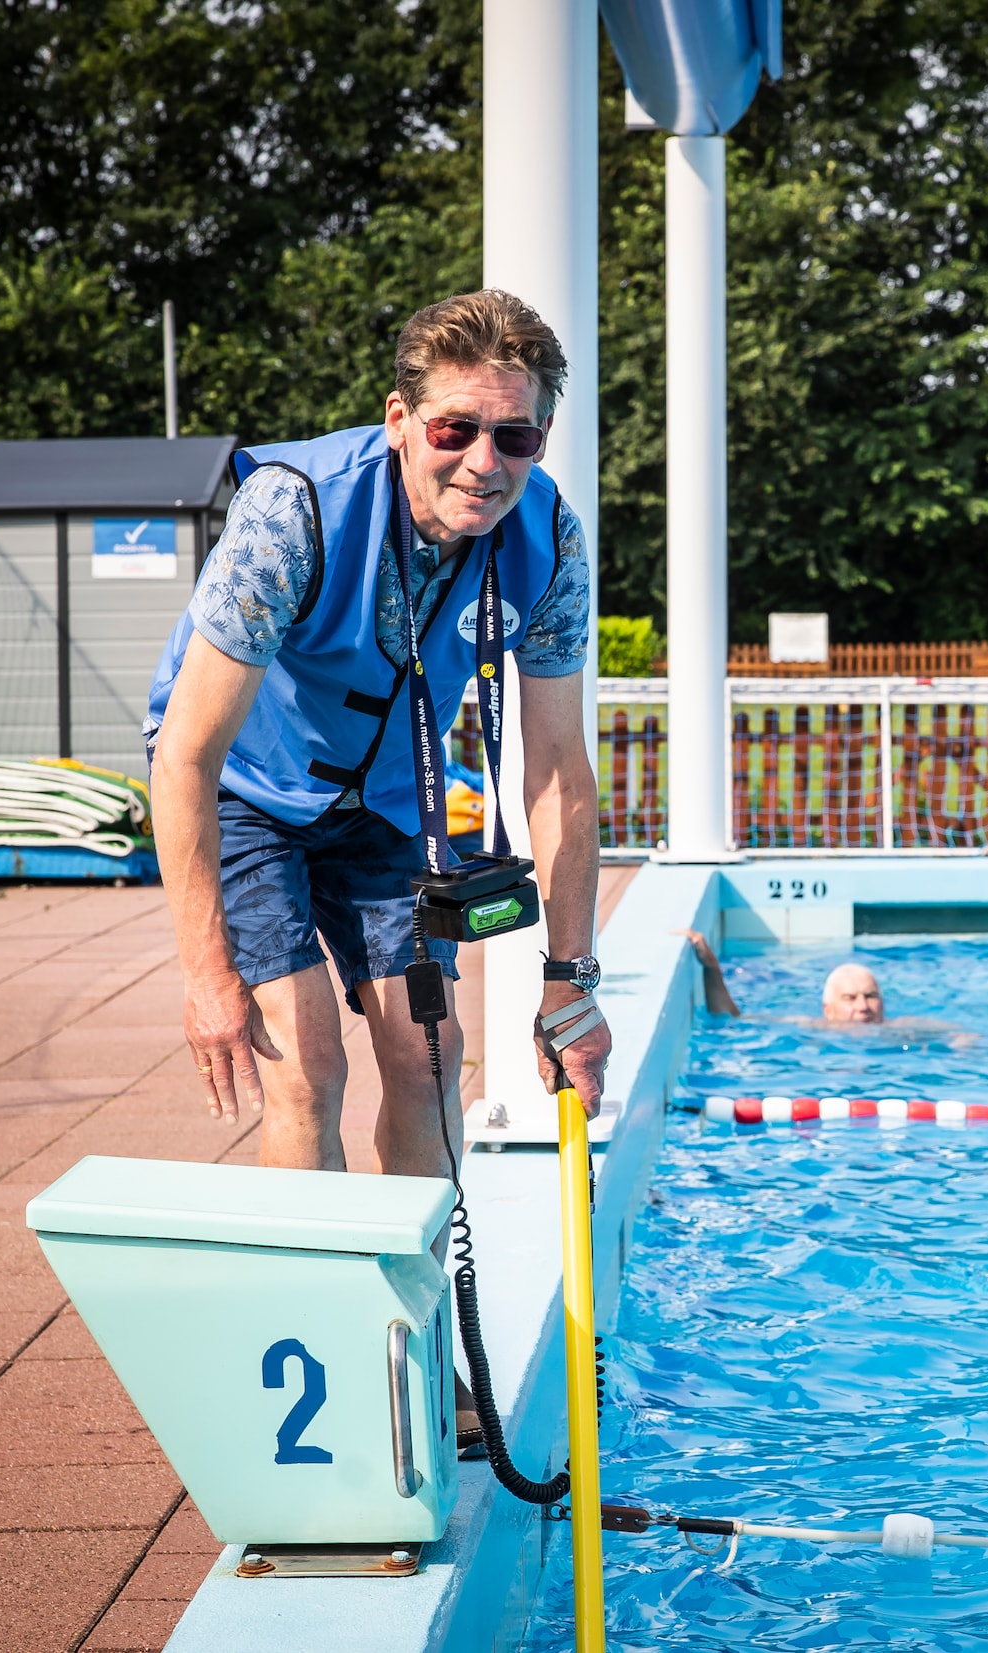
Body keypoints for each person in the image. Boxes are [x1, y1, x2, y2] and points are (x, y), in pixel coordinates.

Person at [146, 287, 610, 1168]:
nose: (484, 463)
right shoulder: (294, 513)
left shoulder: (549, 539)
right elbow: (186, 756)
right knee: (308, 1066)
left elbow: (557, 770)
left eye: (515, 436)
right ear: (400, 419)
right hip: (248, 791)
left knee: (429, 1056)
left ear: (542, 438)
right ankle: (313, 1265)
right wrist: (207, 975)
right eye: (454, 430)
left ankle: (418, 1265)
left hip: (392, 803)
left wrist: (571, 982)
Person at [678, 930, 886, 1025]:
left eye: (871, 996)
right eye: (850, 998)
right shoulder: (810, 1028)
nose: (863, 1006)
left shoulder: (898, 1030)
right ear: (828, 1011)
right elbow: (730, 1018)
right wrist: (711, 968)